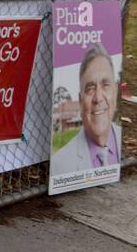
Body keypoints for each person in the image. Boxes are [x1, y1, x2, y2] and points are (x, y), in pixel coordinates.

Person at [51, 44, 120, 172]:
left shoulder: (125, 146)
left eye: (105, 85)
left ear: (115, 92)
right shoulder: (59, 166)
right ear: (81, 100)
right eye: (90, 88)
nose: (98, 98)